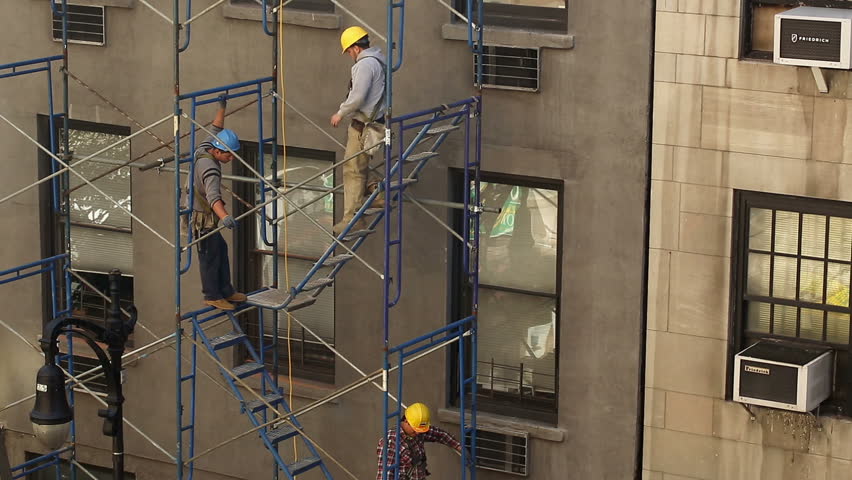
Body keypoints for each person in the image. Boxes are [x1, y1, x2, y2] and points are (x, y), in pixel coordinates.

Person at [183, 98, 247, 311]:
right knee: (209, 255)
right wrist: (225, 216)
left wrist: (222, 107)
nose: (231, 158)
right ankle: (212, 295)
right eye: (229, 154)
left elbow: (215, 127)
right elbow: (213, 198)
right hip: (202, 218)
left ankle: (226, 291)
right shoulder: (210, 169)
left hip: (204, 215)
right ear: (218, 151)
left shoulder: (205, 146)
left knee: (221, 248)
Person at [331, 25, 387, 234]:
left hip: (363, 125)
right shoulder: (380, 60)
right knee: (359, 164)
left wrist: (340, 112)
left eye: (348, 51)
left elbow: (358, 96)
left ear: (355, 48)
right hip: (376, 122)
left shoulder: (364, 65)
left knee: (352, 170)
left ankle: (352, 219)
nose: (349, 56)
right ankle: (377, 192)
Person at [376, 403, 467, 480]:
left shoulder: (418, 431)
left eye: (420, 430)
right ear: (406, 421)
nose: (417, 433)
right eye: (415, 429)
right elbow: (384, 476)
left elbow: (440, 434)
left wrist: (459, 447)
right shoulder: (391, 442)